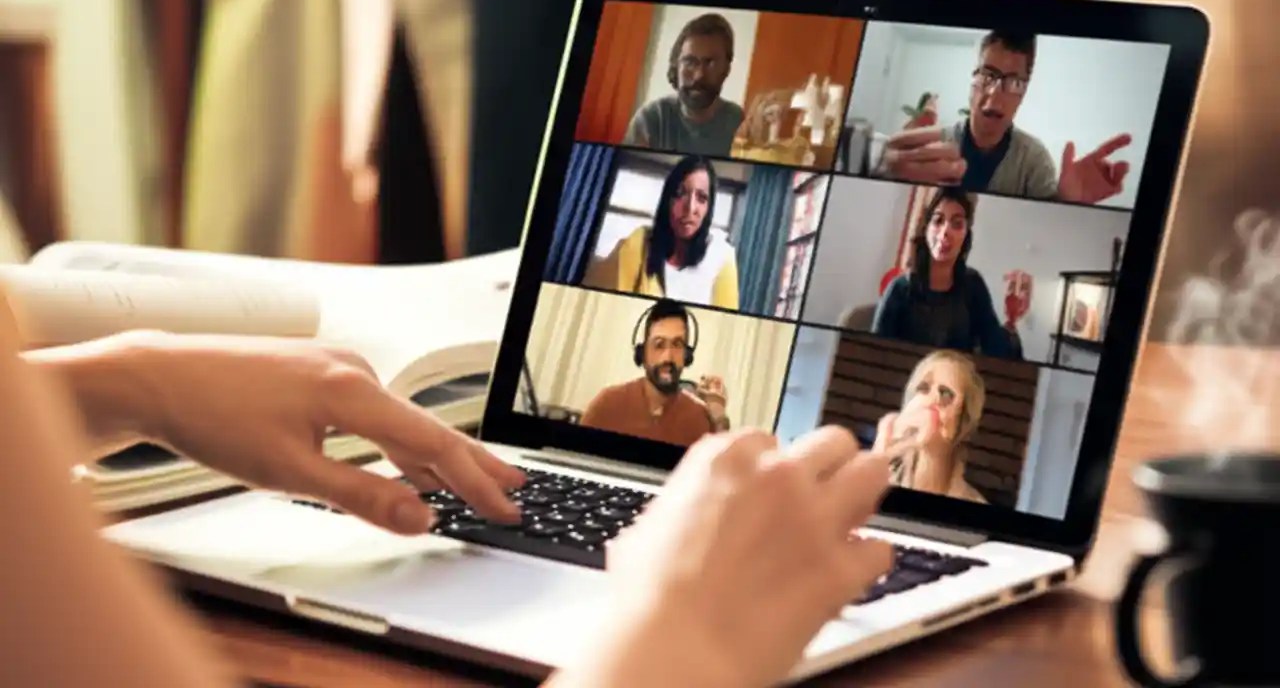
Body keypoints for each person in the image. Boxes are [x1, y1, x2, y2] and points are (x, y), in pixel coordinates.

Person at [0, 284, 894, 687]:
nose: (668, 355)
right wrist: (682, 644)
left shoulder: (704, 417)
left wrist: (128, 380)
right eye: (656, 342)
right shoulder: (608, 403)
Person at [875, 30, 1132, 205]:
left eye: (1014, 83)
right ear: (972, 82)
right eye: (987, 76)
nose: (995, 95)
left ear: (1024, 94)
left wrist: (1067, 203)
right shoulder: (929, 145)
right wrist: (881, 172)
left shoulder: (1034, 161)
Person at [871, 187, 1020, 359]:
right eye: (938, 221)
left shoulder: (973, 285)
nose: (945, 232)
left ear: (966, 235)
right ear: (926, 228)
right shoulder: (899, 289)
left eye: (957, 224)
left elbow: (996, 351)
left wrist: (1012, 318)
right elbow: (876, 354)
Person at [583, 155, 740, 309]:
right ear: (667, 200)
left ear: (709, 208)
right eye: (680, 193)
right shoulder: (638, 244)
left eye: (702, 198)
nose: (690, 208)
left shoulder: (721, 257)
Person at [580, 298, 729, 447]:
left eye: (677, 345)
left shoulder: (699, 419)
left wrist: (719, 416)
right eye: (659, 345)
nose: (668, 357)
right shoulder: (607, 404)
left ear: (687, 355)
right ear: (642, 353)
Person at [871, 350, 989, 504]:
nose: (932, 400)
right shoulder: (882, 473)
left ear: (965, 421)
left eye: (946, 394)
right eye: (923, 388)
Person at [622, 13, 745, 156]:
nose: (699, 75)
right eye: (690, 62)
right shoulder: (650, 120)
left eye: (710, 63)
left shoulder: (738, 123)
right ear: (676, 66)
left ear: (726, 69)